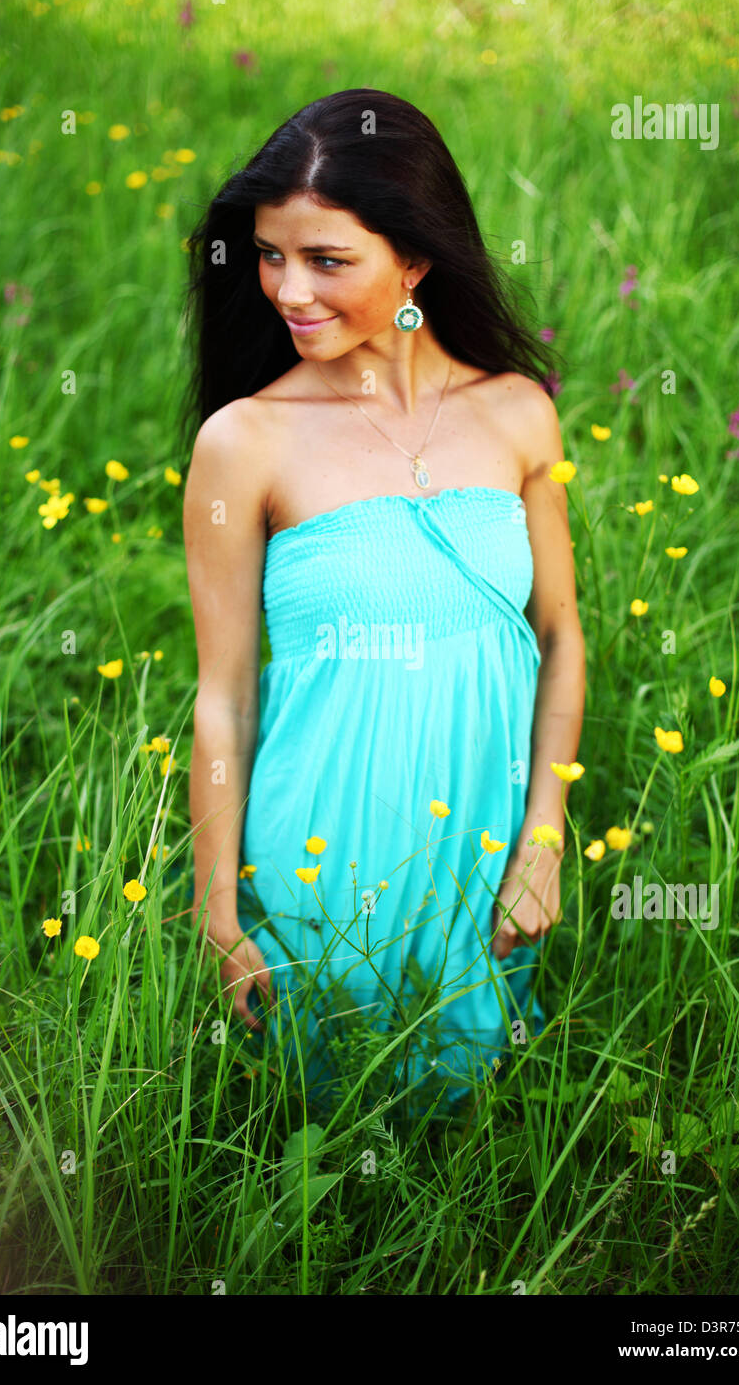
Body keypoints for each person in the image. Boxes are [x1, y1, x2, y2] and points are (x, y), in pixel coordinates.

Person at [180, 89, 585, 1117]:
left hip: (482, 846)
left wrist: (542, 834)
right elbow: (221, 695)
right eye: (270, 255)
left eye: (325, 261)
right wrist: (217, 910)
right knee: (322, 1130)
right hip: (319, 852)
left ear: (411, 260)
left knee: (478, 1137)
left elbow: (558, 635)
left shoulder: (514, 414)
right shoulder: (245, 440)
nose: (286, 290)